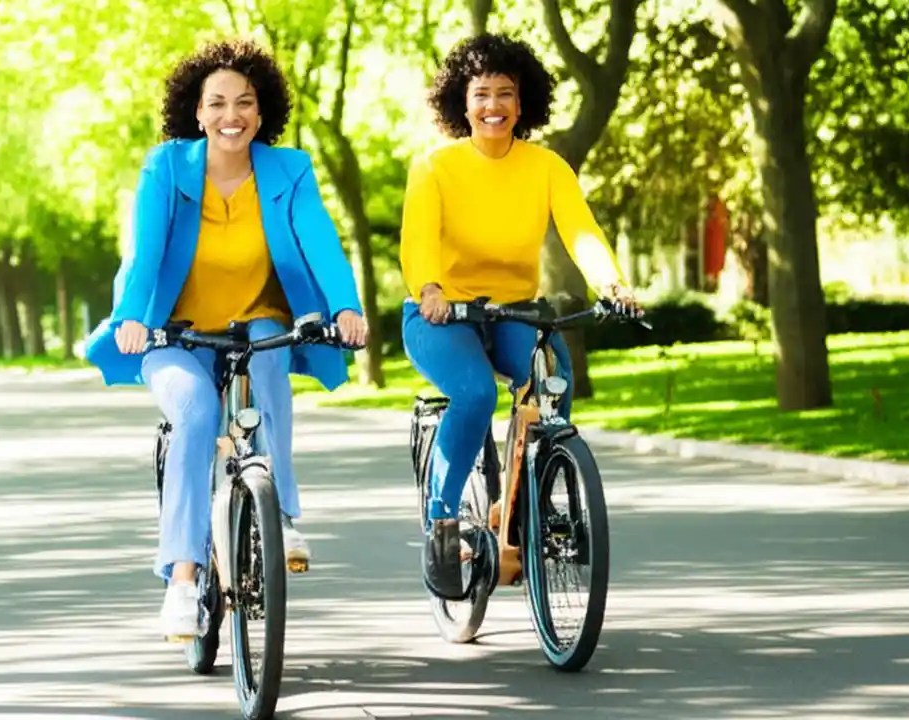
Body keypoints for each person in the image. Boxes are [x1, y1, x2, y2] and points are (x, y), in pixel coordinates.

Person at [84, 39, 368, 640]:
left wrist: (344, 306)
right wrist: (133, 316)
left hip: (255, 320)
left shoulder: (289, 170)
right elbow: (145, 252)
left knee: (270, 365)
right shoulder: (166, 168)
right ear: (197, 112)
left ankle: (283, 514)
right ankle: (183, 582)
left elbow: (320, 239)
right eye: (217, 104)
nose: (230, 116)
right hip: (171, 332)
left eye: (244, 103)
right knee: (195, 413)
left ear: (262, 114)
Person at [399, 33, 638, 599]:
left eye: (505, 94)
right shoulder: (435, 166)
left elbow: (580, 229)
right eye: (482, 93)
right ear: (463, 102)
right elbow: (417, 241)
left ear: (522, 102)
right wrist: (429, 288)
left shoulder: (546, 166)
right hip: (442, 316)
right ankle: (442, 522)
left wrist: (611, 283)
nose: (494, 106)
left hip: (513, 312)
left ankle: (524, 506)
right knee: (477, 395)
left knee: (553, 382)